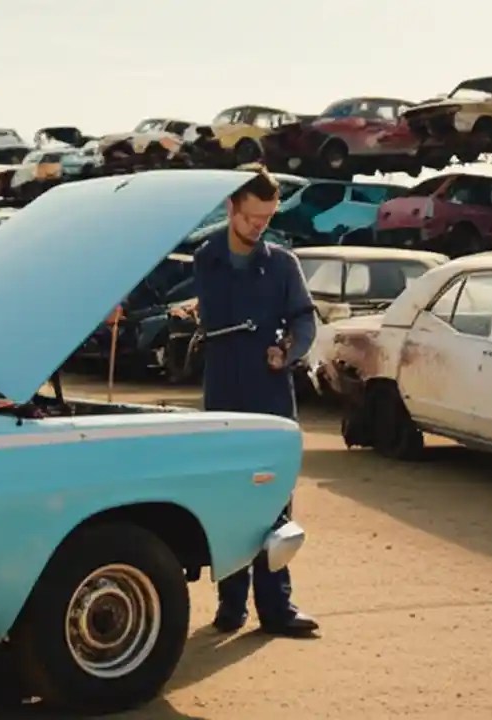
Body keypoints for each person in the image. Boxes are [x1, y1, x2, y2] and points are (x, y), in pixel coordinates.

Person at [191, 164, 320, 638]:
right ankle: (231, 605)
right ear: (231, 208)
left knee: (274, 507)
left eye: (266, 218)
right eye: (250, 217)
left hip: (270, 402)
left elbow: (306, 321)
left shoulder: (283, 264)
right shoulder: (206, 259)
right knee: (226, 500)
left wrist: (288, 351)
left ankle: (277, 610)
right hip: (223, 400)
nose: (258, 226)